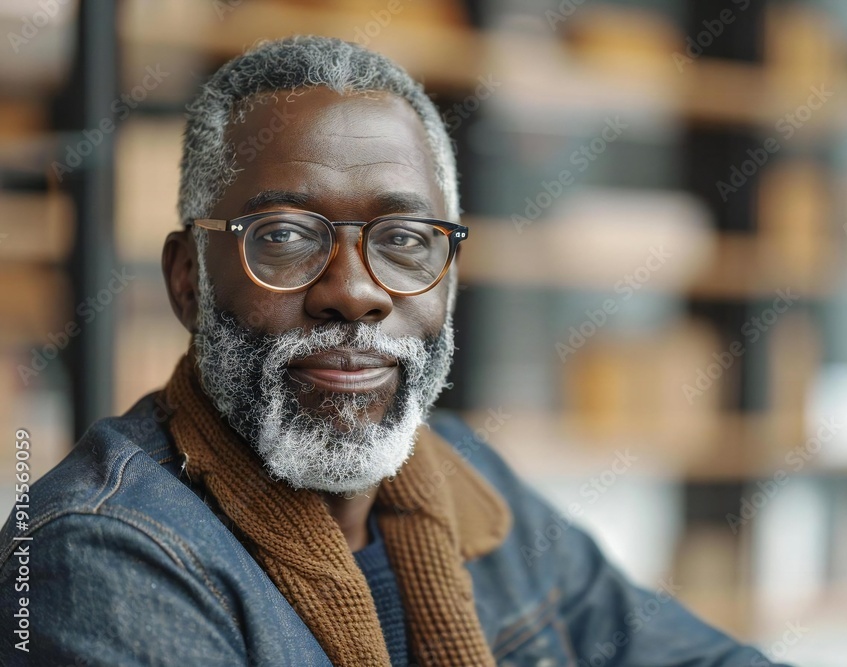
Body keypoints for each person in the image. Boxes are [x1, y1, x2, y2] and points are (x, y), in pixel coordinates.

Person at [0, 36, 790, 666]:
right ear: (186, 281)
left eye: (405, 240)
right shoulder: (102, 559)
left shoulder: (463, 474)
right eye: (283, 236)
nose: (355, 291)